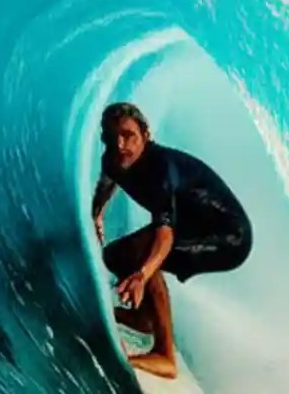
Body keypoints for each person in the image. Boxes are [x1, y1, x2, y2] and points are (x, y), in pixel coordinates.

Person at [91, 102, 253, 379]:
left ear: (145, 135)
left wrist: (142, 274)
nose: (120, 144)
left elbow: (164, 236)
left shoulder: (160, 171)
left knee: (143, 253)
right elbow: (109, 180)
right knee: (116, 255)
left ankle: (164, 355)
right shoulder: (114, 158)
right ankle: (143, 320)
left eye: (129, 135)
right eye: (112, 136)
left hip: (230, 236)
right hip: (192, 225)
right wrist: (97, 213)